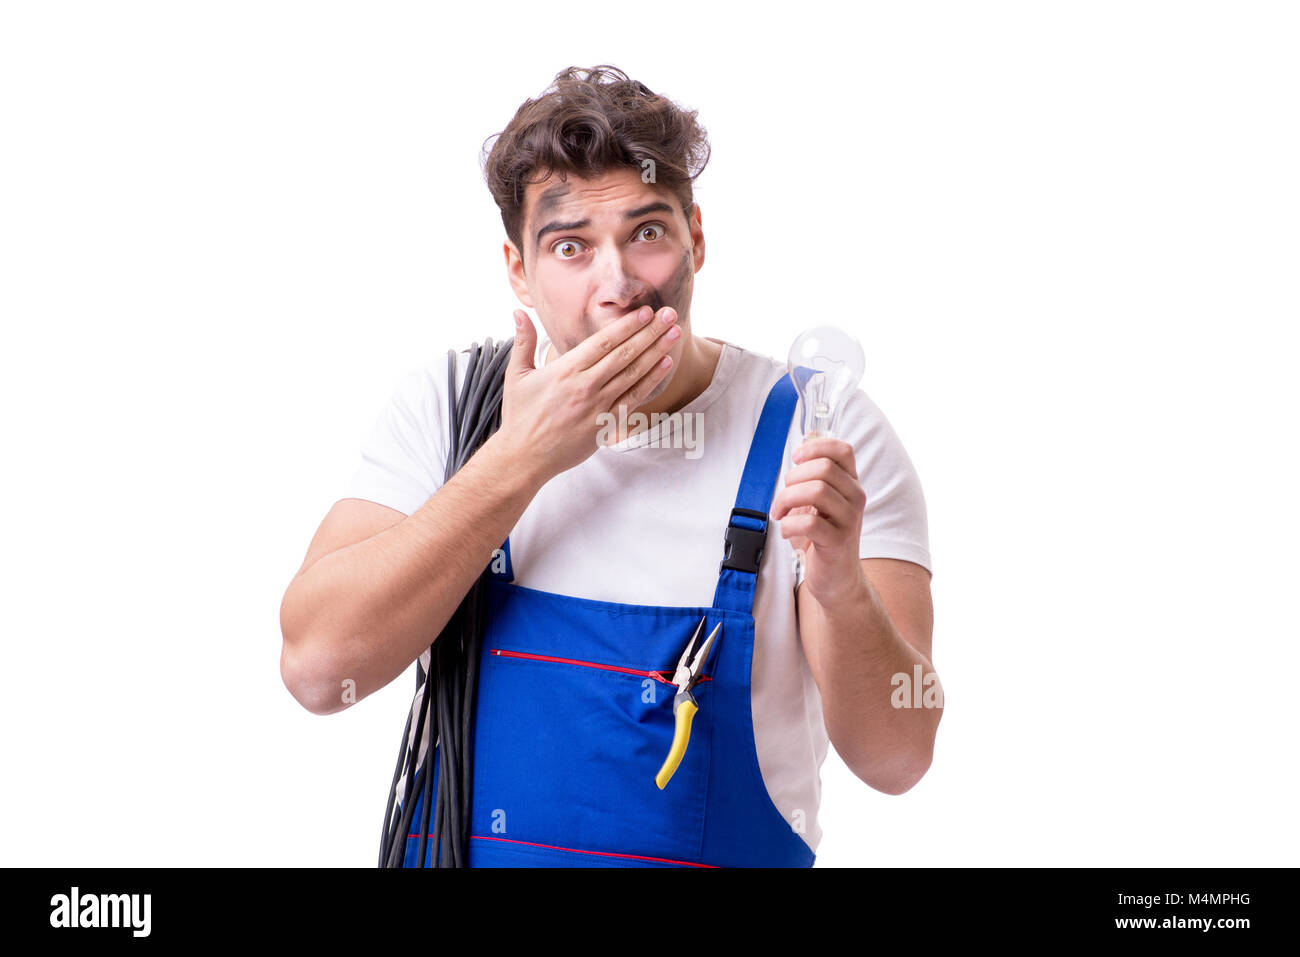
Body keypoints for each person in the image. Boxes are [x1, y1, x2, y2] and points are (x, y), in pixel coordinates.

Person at [279, 65, 940, 867]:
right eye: (570, 247)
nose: (617, 285)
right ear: (518, 268)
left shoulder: (821, 432)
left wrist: (839, 585)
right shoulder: (451, 409)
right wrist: (519, 460)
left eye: (648, 234)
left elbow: (900, 758)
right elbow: (317, 671)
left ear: (697, 237)